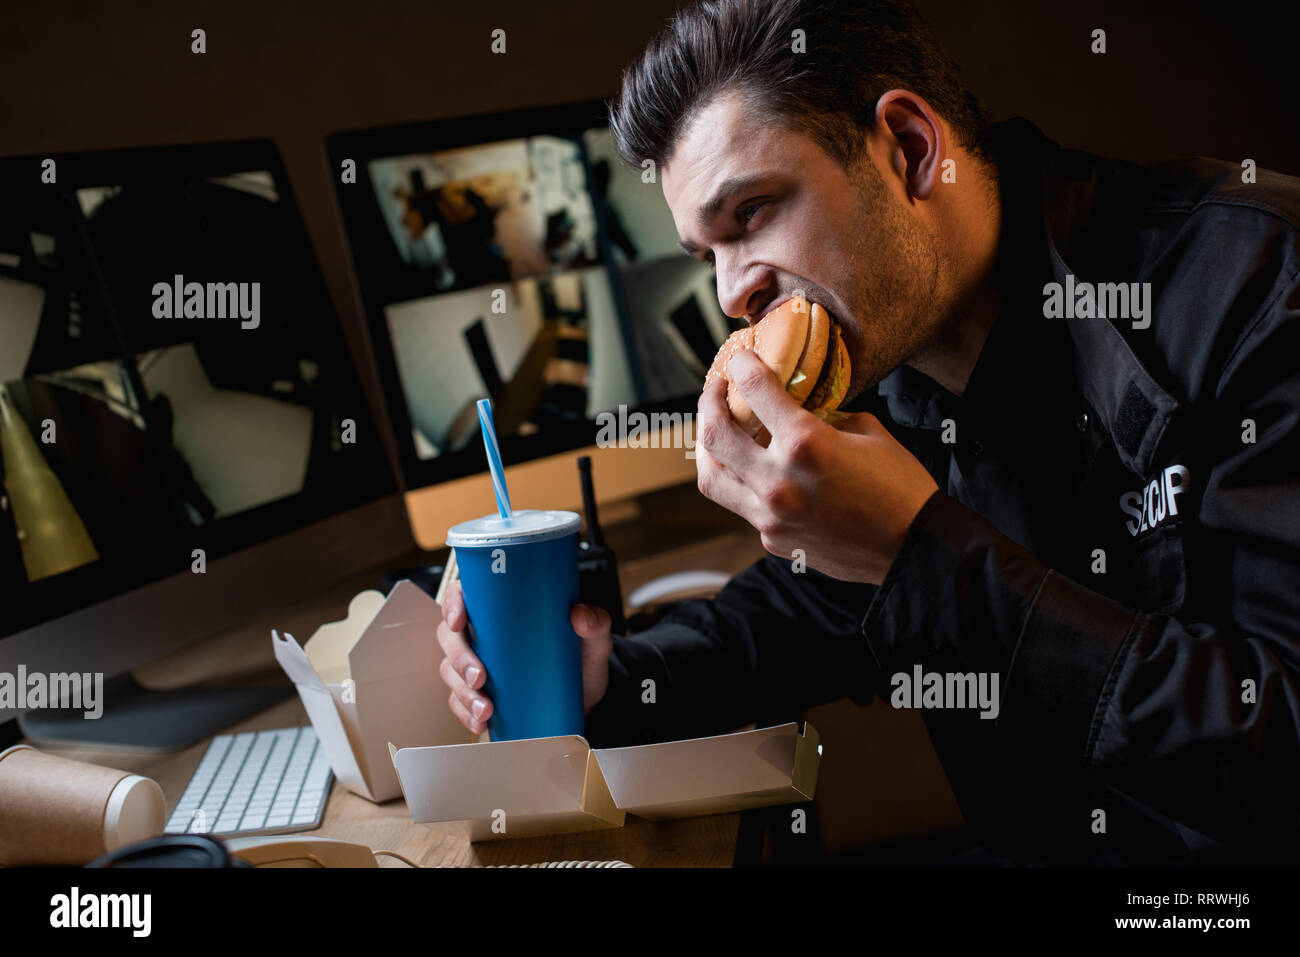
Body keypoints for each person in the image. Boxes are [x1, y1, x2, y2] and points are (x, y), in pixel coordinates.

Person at [438, 0, 1300, 866]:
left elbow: (1279, 740)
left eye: (752, 213)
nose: (733, 295)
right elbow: (801, 609)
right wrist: (611, 678)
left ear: (912, 150)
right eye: (708, 256)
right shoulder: (888, 373)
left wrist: (919, 553)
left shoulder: (1254, 288)